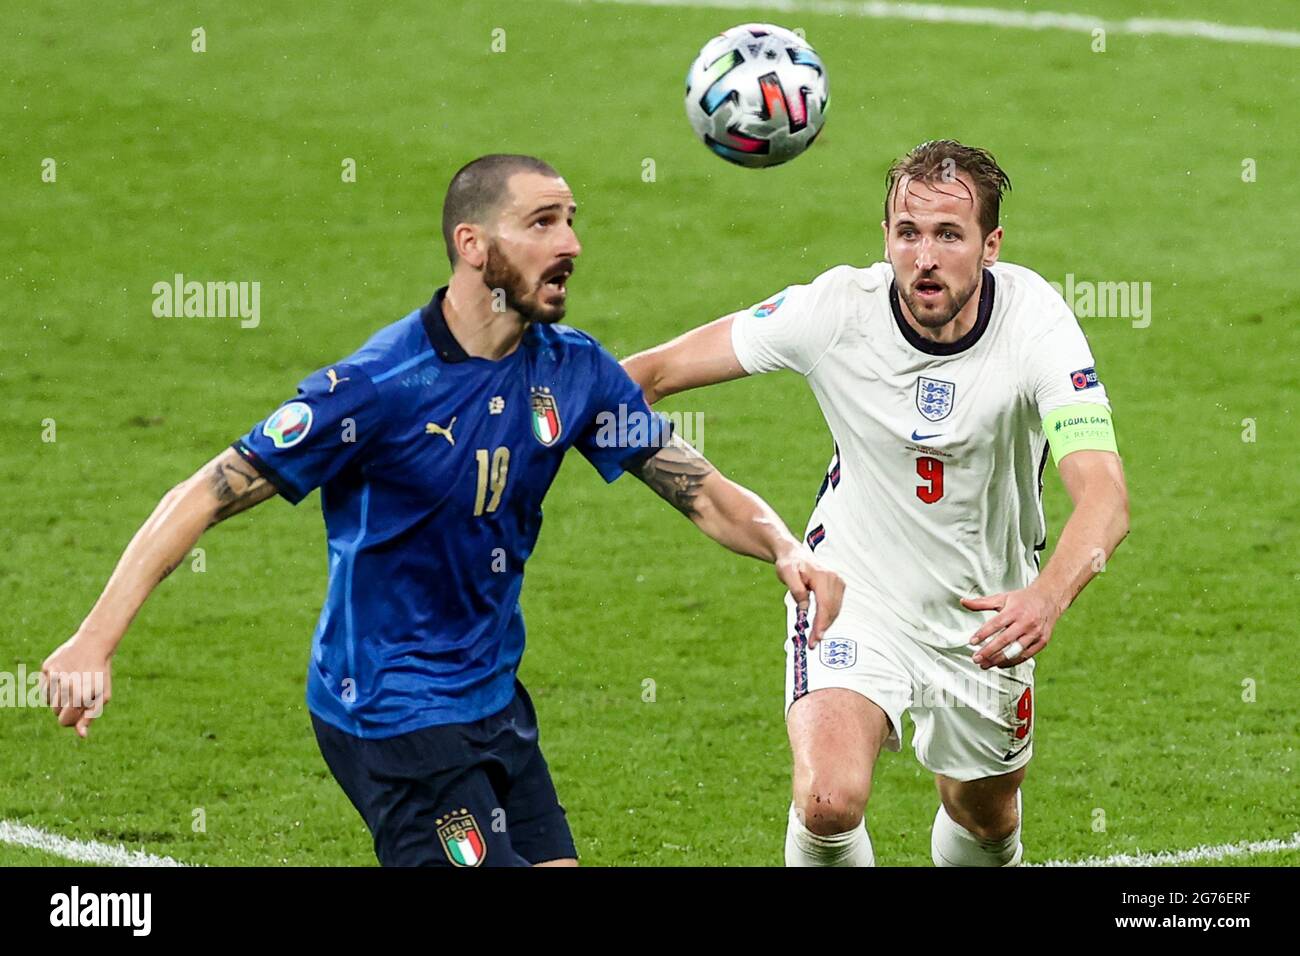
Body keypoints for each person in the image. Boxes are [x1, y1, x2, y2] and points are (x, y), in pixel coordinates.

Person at [41, 154, 844, 867]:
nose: (570, 243)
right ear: (472, 245)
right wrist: (95, 638)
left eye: (572, 221)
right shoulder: (377, 387)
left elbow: (694, 485)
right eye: (541, 223)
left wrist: (782, 546)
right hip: (390, 713)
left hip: (493, 700)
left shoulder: (573, 372)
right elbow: (205, 495)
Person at [622, 140, 1129, 866]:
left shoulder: (1037, 324)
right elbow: (641, 381)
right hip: (854, 589)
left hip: (988, 612)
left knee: (984, 814)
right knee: (829, 800)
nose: (924, 256)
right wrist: (675, 475)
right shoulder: (835, 311)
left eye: (948, 235)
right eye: (907, 233)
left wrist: (1047, 597)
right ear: (886, 238)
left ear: (991, 246)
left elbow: (1106, 497)